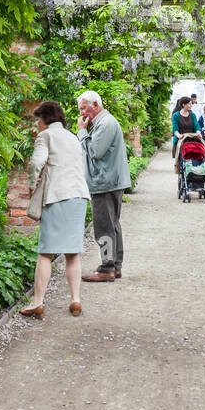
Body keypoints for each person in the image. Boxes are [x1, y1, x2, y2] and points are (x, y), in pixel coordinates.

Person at [20, 100, 90, 319]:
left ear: (45, 120)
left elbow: (35, 163)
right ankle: (75, 301)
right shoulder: (73, 137)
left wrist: (32, 183)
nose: (37, 126)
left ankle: (38, 302)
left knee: (45, 253)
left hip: (57, 197)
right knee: (72, 252)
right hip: (78, 196)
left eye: (38, 121)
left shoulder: (46, 136)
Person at [77, 90, 131, 283]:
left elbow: (95, 152)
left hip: (105, 183)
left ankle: (107, 268)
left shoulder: (105, 123)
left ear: (95, 105)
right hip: (109, 181)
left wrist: (82, 132)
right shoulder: (103, 122)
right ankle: (115, 266)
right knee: (112, 225)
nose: (82, 114)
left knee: (104, 227)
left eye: (84, 108)